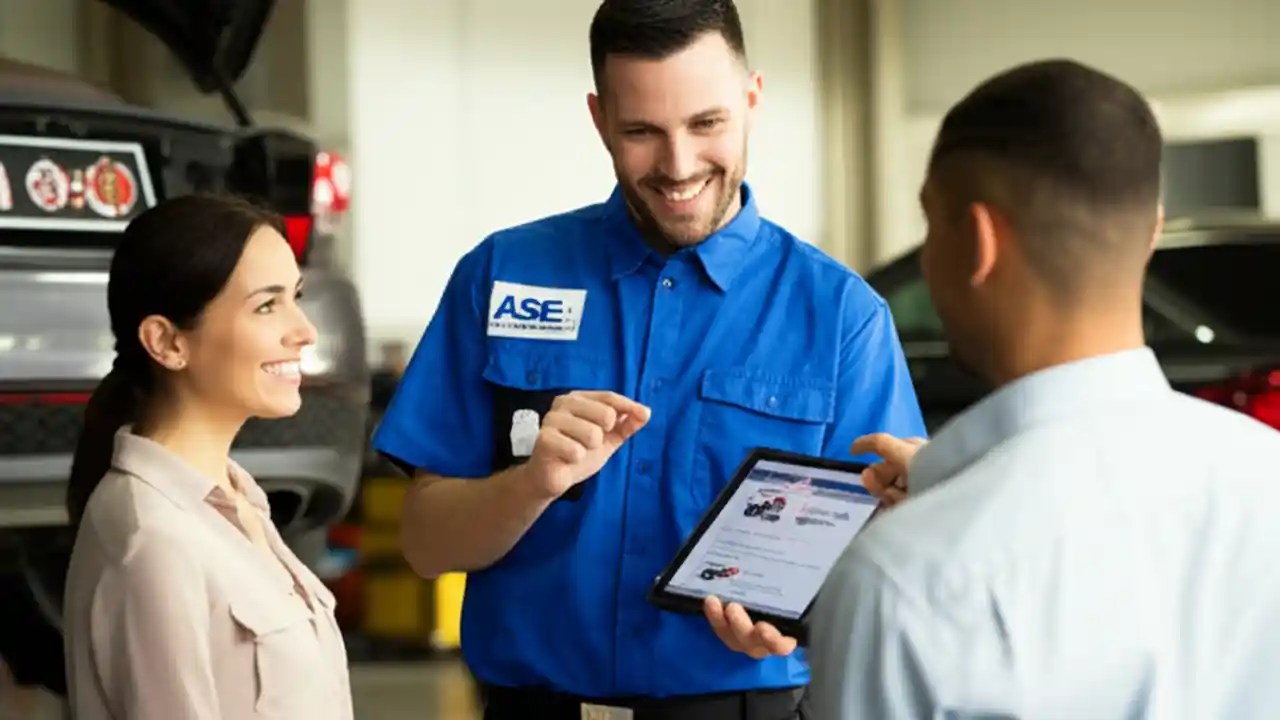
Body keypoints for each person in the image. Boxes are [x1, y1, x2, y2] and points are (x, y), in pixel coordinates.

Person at [371, 1, 926, 717]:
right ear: (600, 119)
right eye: (641, 132)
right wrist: (530, 484)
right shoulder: (502, 275)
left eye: (707, 124)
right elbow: (422, 545)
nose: (678, 166)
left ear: (752, 99)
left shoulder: (843, 318)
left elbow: (874, 563)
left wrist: (802, 618)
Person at [809, 59, 1280, 719]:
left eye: (931, 225)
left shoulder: (905, 579)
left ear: (977, 242)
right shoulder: (1268, 478)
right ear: (1151, 232)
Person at [61, 195, 354, 720]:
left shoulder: (238, 504)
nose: (304, 331)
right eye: (267, 305)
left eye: (297, 296)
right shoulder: (151, 541)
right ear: (167, 342)